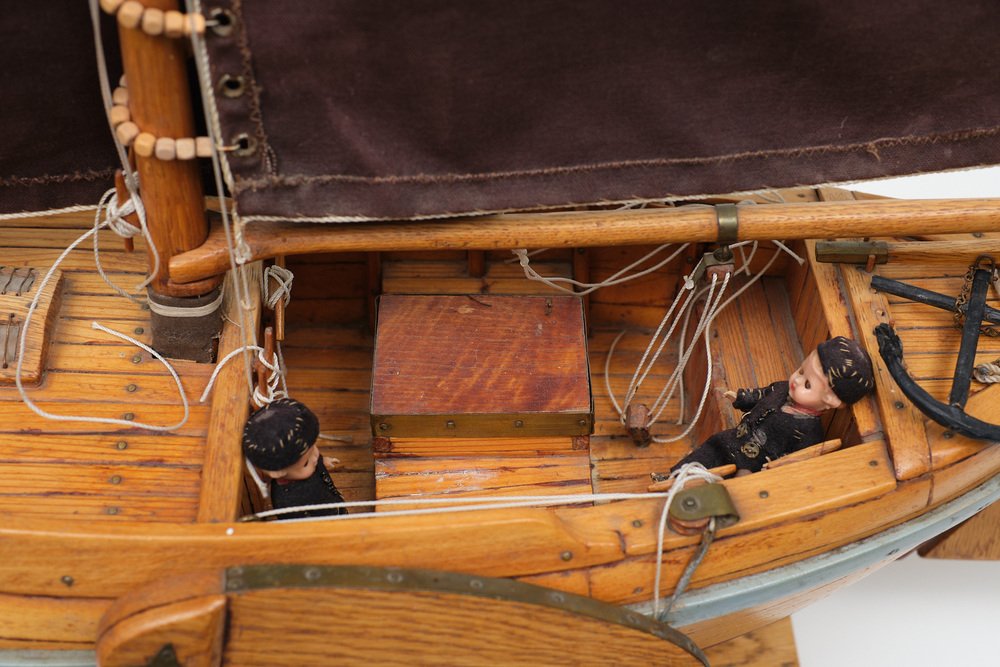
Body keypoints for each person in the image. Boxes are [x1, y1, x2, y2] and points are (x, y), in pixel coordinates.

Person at [661, 336, 875, 476]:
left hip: (752, 467)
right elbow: (761, 394)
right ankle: (674, 476)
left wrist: (776, 469)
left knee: (733, 485)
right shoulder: (782, 388)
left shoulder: (808, 431)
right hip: (733, 439)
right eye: (801, 371)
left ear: (831, 401)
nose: (797, 381)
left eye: (808, 384)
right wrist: (741, 397)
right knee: (706, 452)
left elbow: (797, 460)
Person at [242, 397, 348, 519]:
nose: (315, 458)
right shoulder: (287, 501)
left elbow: (313, 459)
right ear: (277, 472)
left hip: (331, 502)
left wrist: (323, 461)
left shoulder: (307, 463)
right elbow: (296, 523)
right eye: (306, 463)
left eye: (314, 448)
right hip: (321, 523)